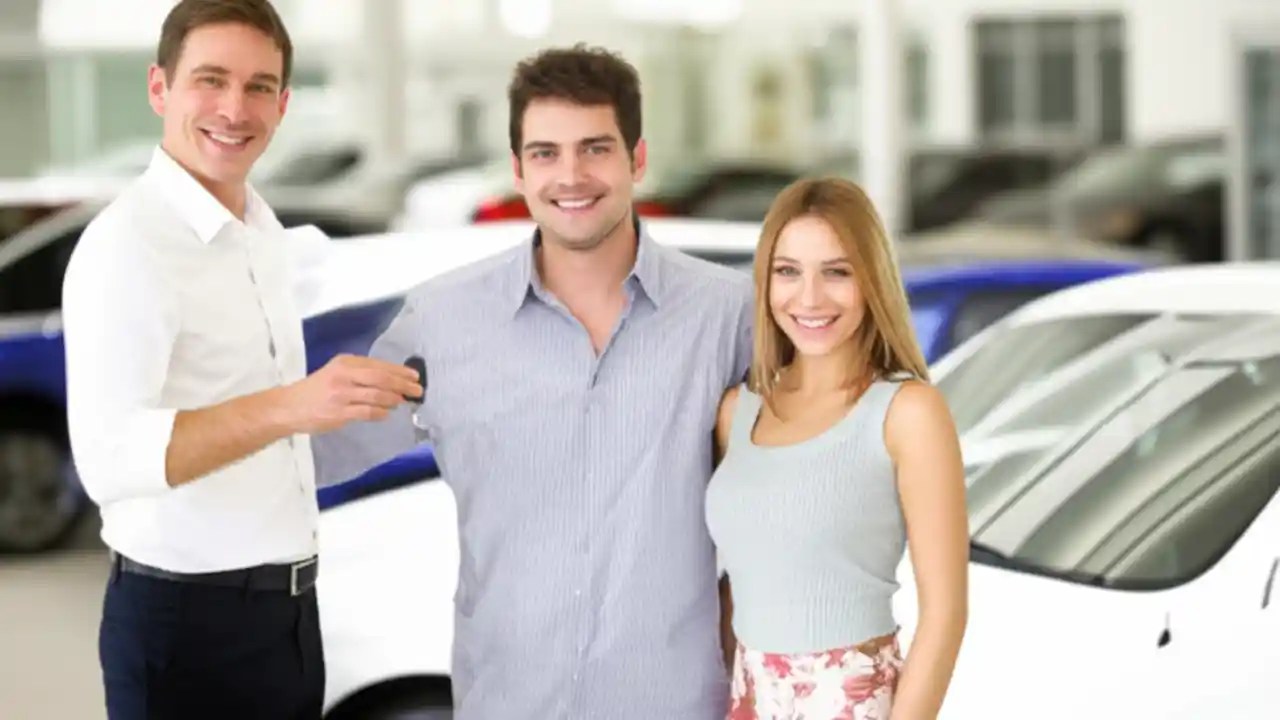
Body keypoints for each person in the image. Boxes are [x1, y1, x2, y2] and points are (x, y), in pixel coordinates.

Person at [312, 45, 752, 719]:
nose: (570, 175)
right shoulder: (443, 321)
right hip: (508, 703)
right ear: (517, 170)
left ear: (636, 159)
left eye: (595, 149)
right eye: (545, 153)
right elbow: (319, 458)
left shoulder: (731, 316)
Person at [60, 1, 422, 718]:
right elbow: (109, 459)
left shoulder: (257, 229)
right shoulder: (127, 246)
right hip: (187, 627)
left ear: (283, 105)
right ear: (160, 89)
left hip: (285, 617)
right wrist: (295, 404)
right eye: (211, 79)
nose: (235, 107)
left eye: (259, 86)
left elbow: (270, 441)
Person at [705, 177, 969, 719]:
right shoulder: (738, 411)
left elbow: (946, 615)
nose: (809, 298)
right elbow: (737, 580)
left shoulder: (907, 413)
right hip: (748, 699)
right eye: (788, 272)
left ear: (871, 279)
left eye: (837, 272)